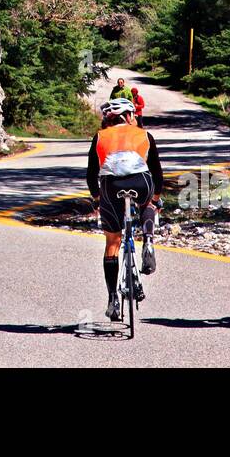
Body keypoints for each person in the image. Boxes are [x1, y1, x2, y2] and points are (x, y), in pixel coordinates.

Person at [87, 98, 164, 321]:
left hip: (111, 186)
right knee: (148, 202)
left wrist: (97, 198)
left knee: (112, 243)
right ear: (130, 116)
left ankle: (113, 299)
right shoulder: (144, 135)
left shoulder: (100, 136)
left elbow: (92, 174)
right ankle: (148, 239)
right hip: (141, 182)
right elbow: (157, 172)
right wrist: (156, 198)